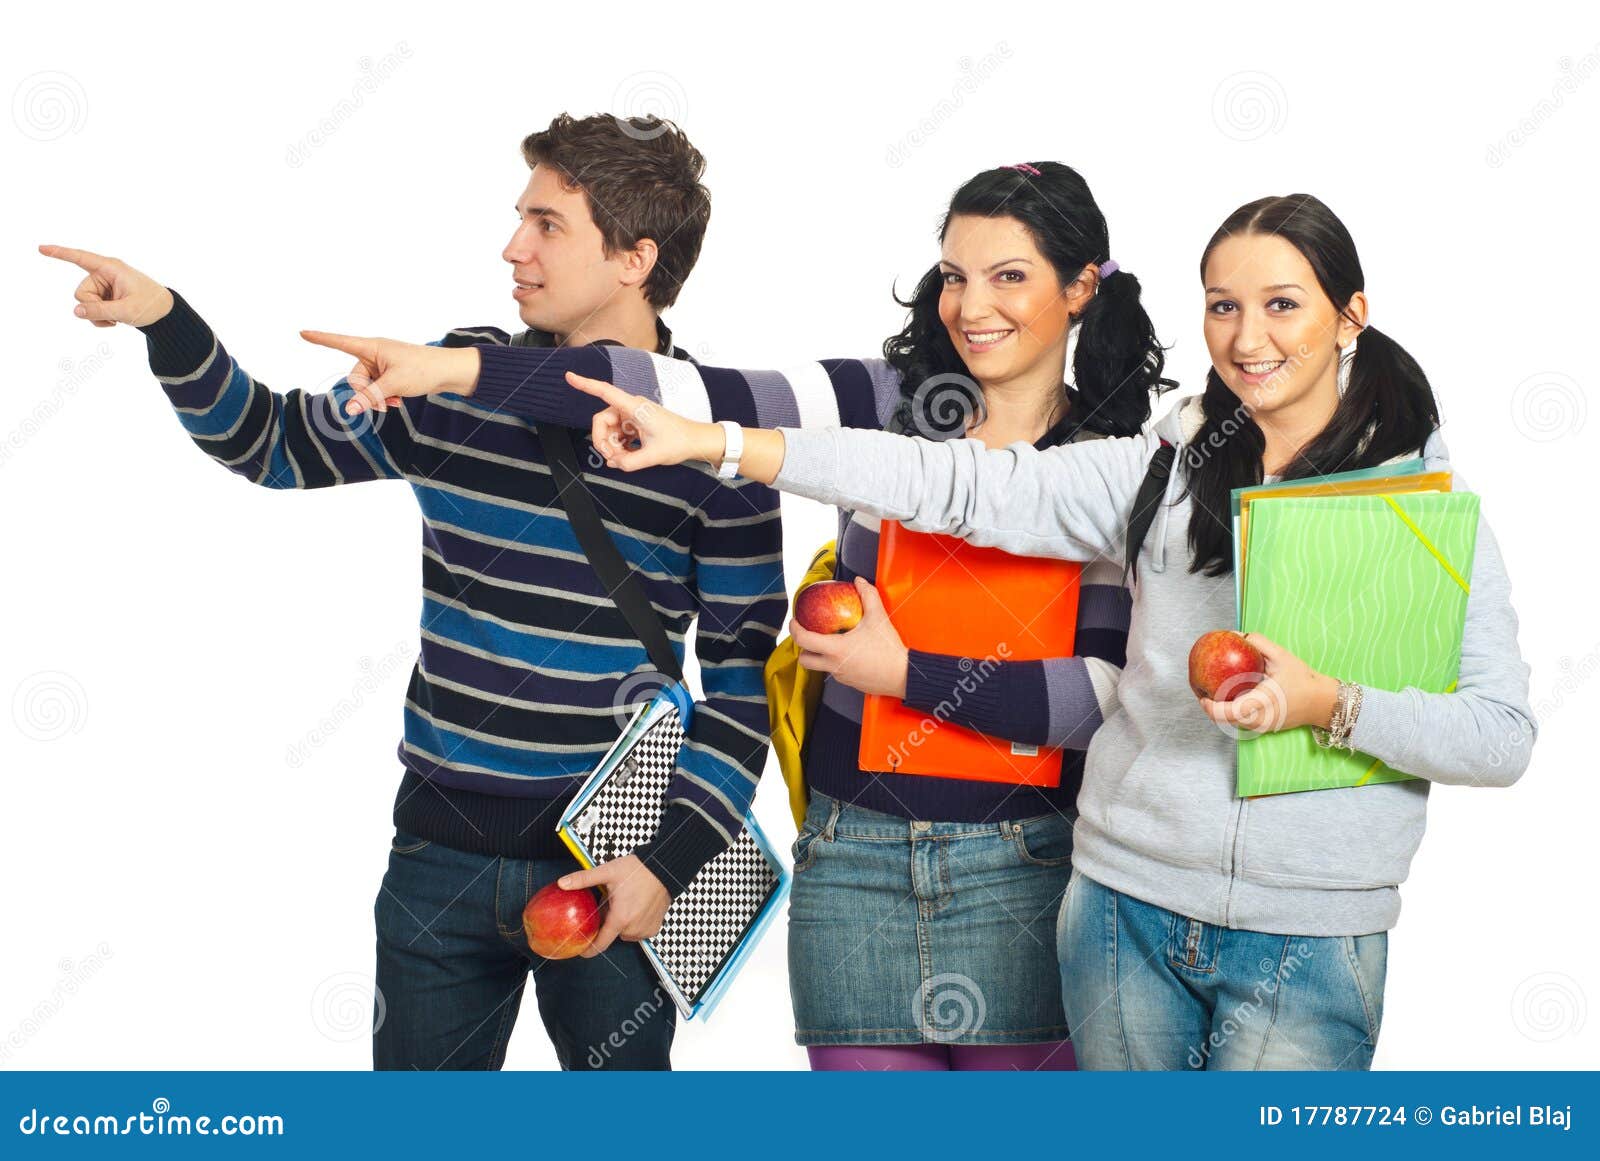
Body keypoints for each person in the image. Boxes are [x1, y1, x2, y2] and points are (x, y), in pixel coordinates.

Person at [482, 192, 1535, 1070]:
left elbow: (1499, 737)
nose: (1246, 338)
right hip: (1121, 910)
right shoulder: (1155, 474)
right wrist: (717, 441)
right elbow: (952, 483)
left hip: (1305, 931)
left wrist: (1330, 705)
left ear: (1351, 316)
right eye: (1223, 305)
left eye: (1281, 305)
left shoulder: (1426, 521)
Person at [307, 162, 1172, 1069]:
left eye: (1010, 276)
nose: (972, 306)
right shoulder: (887, 401)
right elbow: (673, 386)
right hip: (854, 857)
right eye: (955, 275)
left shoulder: (1115, 466)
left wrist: (905, 675)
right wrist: (451, 367)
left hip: (1029, 865)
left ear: (1081, 287)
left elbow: (1101, 701)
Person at [39, 112, 786, 1071]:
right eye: (520, 217)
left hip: (617, 867)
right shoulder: (448, 381)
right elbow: (269, 443)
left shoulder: (721, 442)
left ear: (634, 259)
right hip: (440, 861)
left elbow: (741, 688)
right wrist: (164, 319)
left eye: (547, 225)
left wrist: (664, 865)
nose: (512, 247)